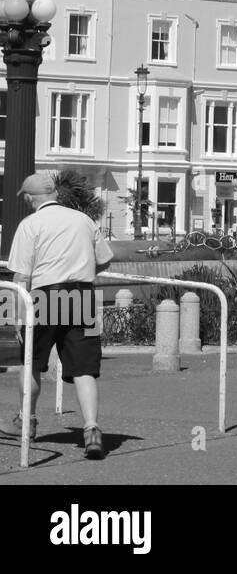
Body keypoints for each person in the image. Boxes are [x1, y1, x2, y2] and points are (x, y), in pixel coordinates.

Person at [1, 172, 114, 459]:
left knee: (32, 362)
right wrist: (83, 271)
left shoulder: (30, 224)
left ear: (30, 198)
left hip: (45, 296)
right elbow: (105, 259)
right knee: (85, 368)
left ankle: (26, 422)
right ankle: (92, 429)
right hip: (83, 296)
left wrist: (15, 317)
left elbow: (21, 277)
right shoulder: (84, 220)